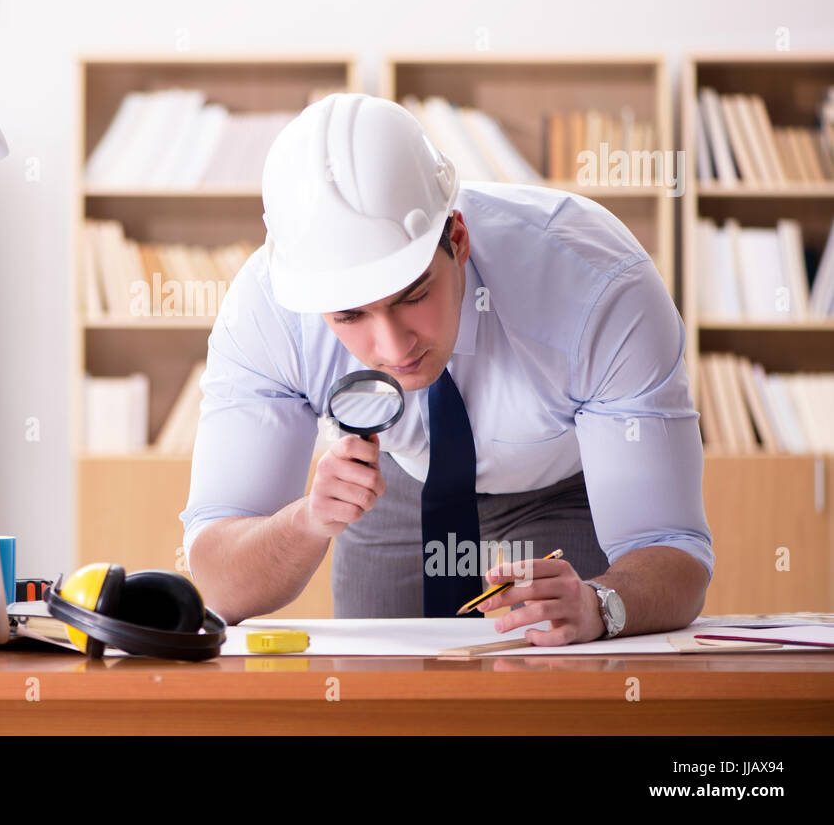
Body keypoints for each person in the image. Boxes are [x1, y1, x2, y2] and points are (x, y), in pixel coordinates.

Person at [180, 93, 712, 645]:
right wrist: (308, 519)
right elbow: (220, 587)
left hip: (564, 486)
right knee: (380, 697)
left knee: (561, 685)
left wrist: (603, 604)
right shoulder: (268, 313)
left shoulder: (600, 287)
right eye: (348, 316)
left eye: (413, 296)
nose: (392, 346)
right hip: (397, 484)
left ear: (456, 239)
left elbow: (673, 551)